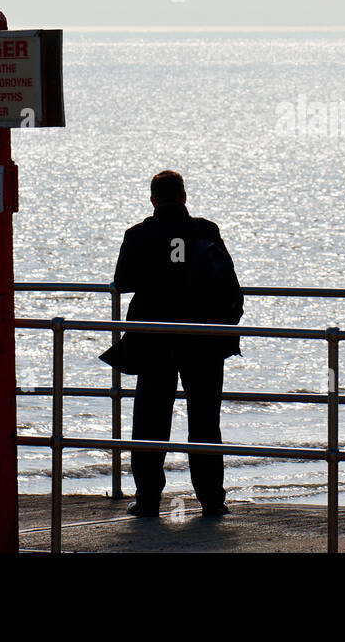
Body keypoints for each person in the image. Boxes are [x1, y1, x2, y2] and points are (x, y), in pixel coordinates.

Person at [112, 170, 243, 517]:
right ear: (184, 196)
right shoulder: (206, 230)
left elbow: (122, 281)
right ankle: (212, 499)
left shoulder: (139, 234)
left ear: (153, 200)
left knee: (150, 422)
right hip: (203, 339)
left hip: (155, 340)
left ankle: (149, 498)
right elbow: (230, 283)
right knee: (204, 421)